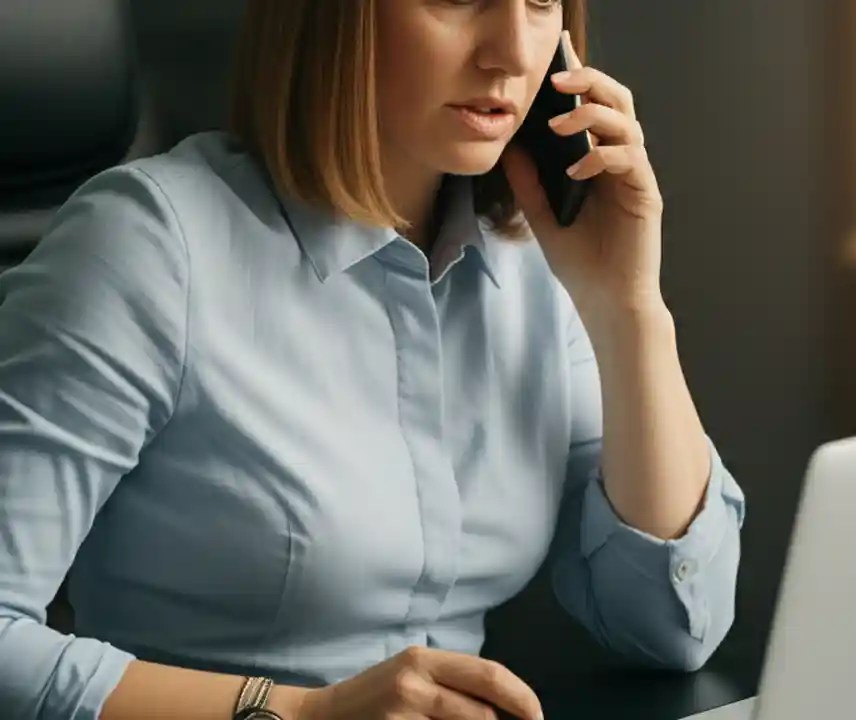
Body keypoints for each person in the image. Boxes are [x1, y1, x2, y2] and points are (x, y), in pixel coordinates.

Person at [0, 1, 746, 718]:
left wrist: (629, 309)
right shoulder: (147, 246)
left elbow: (676, 624)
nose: (515, 52)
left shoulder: (532, 265)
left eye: (542, 0)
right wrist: (303, 715)